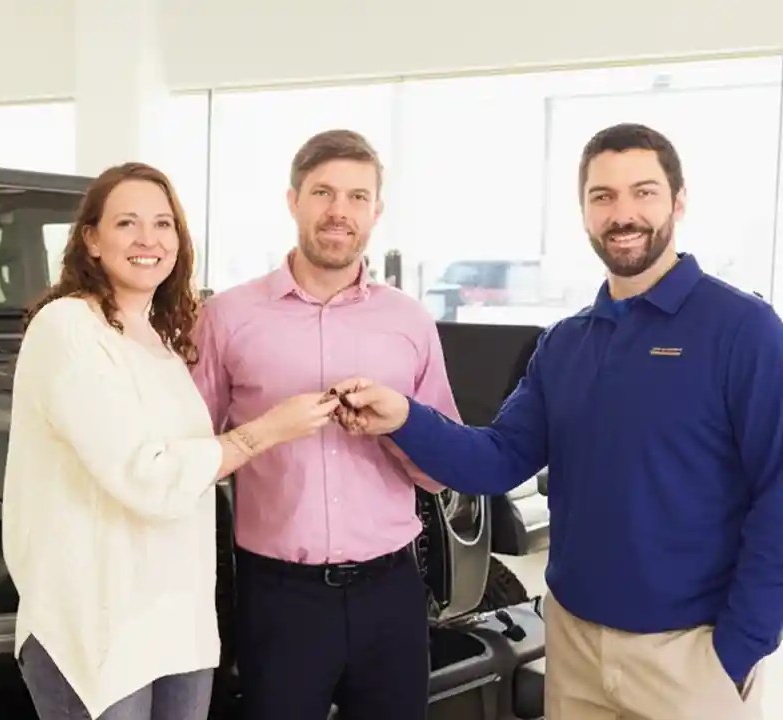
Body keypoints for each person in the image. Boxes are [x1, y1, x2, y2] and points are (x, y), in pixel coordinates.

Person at [334, 123, 783, 720]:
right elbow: (496, 460)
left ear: (678, 201)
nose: (623, 213)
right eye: (603, 196)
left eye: (643, 192)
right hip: (574, 646)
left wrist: (741, 645)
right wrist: (403, 417)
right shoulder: (566, 344)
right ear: (584, 212)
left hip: (691, 657)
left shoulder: (743, 329)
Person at [2, 161, 339, 720]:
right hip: (97, 623)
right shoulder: (67, 327)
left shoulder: (156, 338)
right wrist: (269, 431)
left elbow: (186, 464)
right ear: (91, 239)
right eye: (127, 224)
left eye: (163, 224)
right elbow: (148, 477)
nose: (148, 240)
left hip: (175, 618)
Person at [189, 129, 461, 720]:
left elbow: (443, 472)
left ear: (376, 212)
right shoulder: (226, 318)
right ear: (294, 202)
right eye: (323, 193)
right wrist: (266, 431)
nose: (340, 212)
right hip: (278, 597)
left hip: (391, 593)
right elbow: (187, 459)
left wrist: (399, 424)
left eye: (358, 197)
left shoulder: (410, 322)